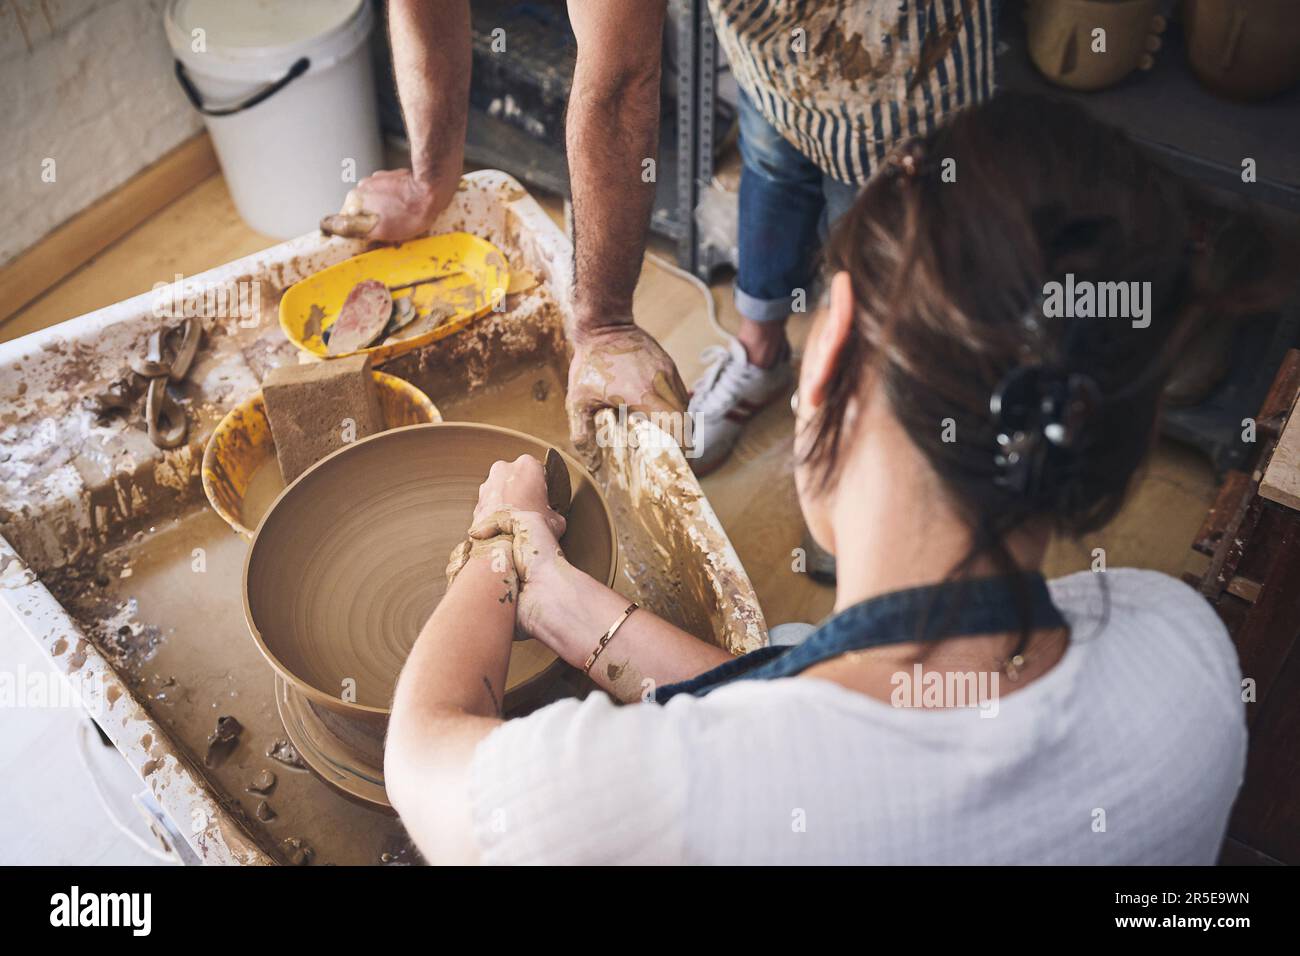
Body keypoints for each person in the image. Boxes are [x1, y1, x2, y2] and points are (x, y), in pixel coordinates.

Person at [384, 94, 1279, 864]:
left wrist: (495, 549)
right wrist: (554, 599)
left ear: (832, 342)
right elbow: (804, 707)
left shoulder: (660, 804)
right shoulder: (1185, 655)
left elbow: (420, 759)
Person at [338, 2, 994, 487]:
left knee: (887, 224)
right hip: (776, 31)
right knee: (773, 153)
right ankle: (762, 357)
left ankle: (870, 445)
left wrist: (602, 324)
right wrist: (430, 177)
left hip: (893, 35)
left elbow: (621, 84)